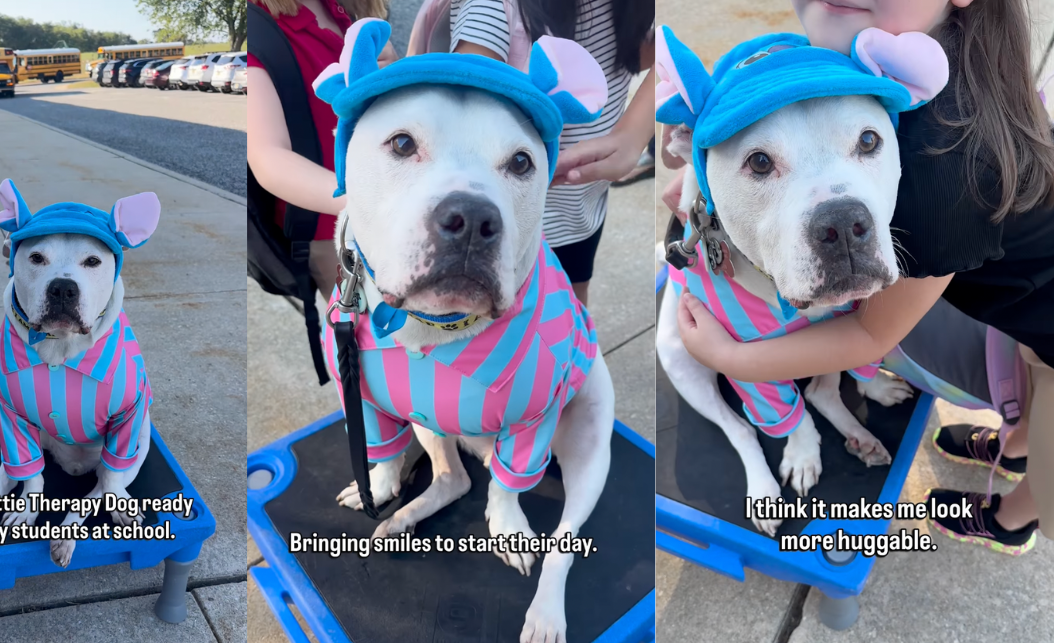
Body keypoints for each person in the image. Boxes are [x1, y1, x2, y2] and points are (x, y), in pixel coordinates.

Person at [670, 0, 1054, 555]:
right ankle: (1013, 447)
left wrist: (730, 360)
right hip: (1026, 298)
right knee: (1036, 386)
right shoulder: (922, 59)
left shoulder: (945, 173)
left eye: (869, 142)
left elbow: (873, 335)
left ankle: (1014, 518)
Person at [446, 0, 656, 305]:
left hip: (581, 210)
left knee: (572, 303)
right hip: (496, 227)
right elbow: (462, 138)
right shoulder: (491, 9)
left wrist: (633, 135)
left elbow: (654, 51)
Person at [248, 0, 398, 300]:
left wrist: (394, 72)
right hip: (336, 231)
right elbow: (268, 157)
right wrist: (375, 204)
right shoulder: (259, 31)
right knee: (378, 336)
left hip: (394, 204)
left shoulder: (345, 8)